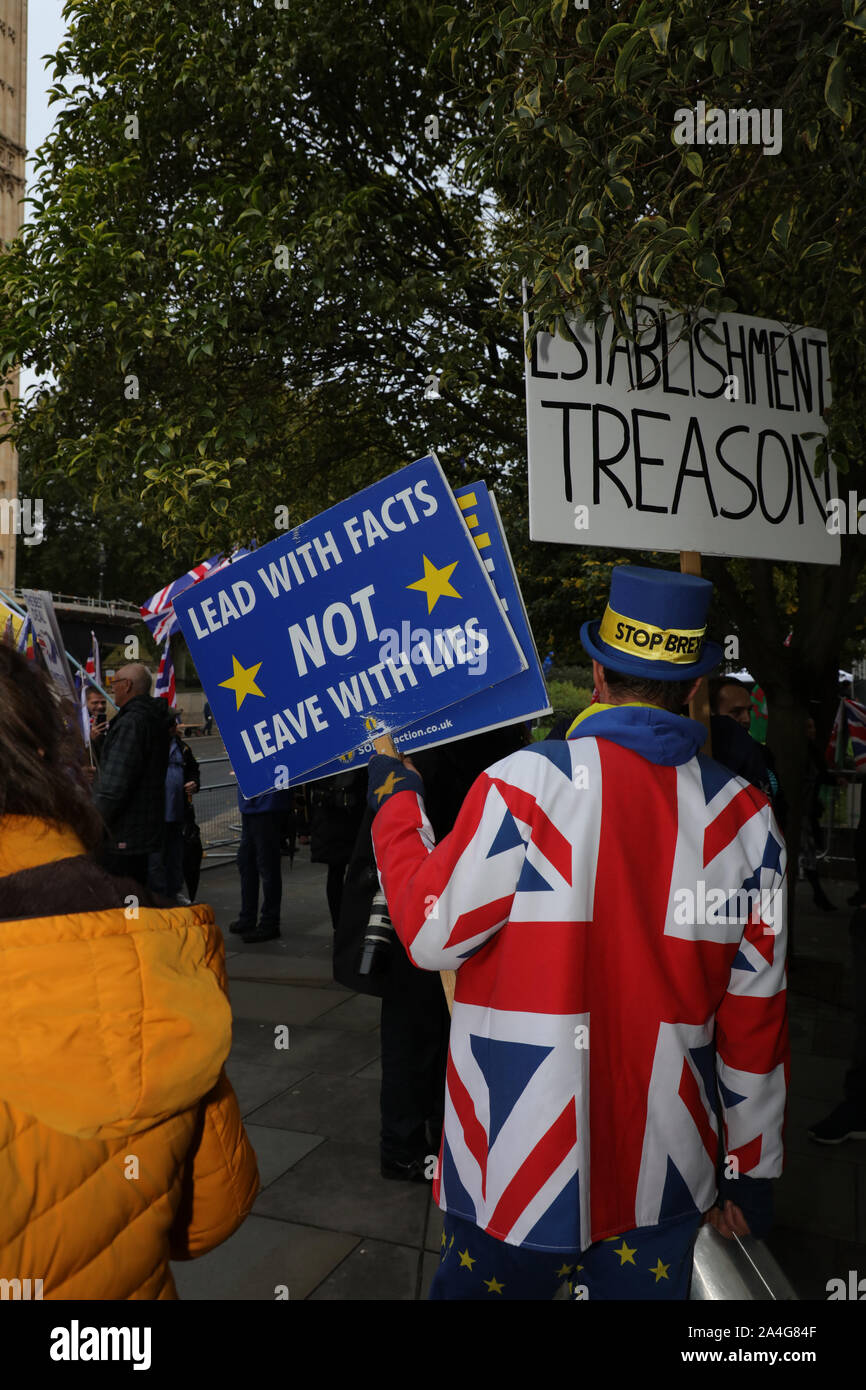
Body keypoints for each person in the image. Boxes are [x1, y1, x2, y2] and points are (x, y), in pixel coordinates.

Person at [367, 564, 789, 1300]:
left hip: (510, 1166)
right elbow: (757, 1022)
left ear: (597, 671)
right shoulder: (747, 818)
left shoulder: (525, 784)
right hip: (662, 1175)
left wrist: (396, 803)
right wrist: (752, 1175)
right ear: (693, 686)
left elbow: (432, 938)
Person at [0, 643, 259, 1298]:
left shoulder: (136, 724)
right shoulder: (160, 958)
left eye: (116, 680)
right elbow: (210, 1215)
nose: (107, 688)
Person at [335, 726, 528, 1182]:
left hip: (424, 902)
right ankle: (411, 1144)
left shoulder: (418, 740)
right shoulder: (472, 743)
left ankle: (415, 1141)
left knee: (417, 1031)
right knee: (421, 1032)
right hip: (430, 904)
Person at [92, 662, 172, 887]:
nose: (112, 689)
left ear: (127, 686)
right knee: (136, 900)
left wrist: (91, 823)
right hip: (141, 832)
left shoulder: (131, 722)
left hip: (123, 836)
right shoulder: (151, 718)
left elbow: (114, 787)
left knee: (124, 903)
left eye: (114, 683)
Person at [149, 708, 200, 904]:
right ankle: (157, 895)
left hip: (178, 815)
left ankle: (174, 891)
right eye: (171, 724)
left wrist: (194, 783)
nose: (174, 728)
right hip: (156, 815)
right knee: (155, 861)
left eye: (175, 724)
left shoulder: (183, 748)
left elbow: (194, 770)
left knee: (175, 858)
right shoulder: (149, 748)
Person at [230, 785, 293, 942]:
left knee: (267, 866)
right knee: (247, 863)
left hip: (266, 806)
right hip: (253, 804)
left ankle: (269, 921)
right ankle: (249, 916)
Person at [307, 768, 367, 929]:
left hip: (330, 817)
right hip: (353, 816)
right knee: (355, 873)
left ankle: (339, 925)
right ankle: (351, 924)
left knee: (336, 873)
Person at [85, 685, 109, 764]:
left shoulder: (111, 724)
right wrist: (91, 740)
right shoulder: (79, 724)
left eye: (103, 702)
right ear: (85, 703)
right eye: (95, 703)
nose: (100, 706)